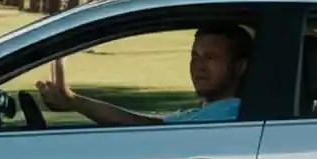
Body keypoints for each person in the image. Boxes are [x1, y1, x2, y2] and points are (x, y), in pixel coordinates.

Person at [35, 23, 254, 126]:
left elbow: (147, 128)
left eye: (210, 57)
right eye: (194, 56)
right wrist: (74, 102)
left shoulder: (229, 116)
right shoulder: (207, 112)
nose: (198, 66)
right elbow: (151, 122)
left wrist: (74, 101)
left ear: (240, 67)